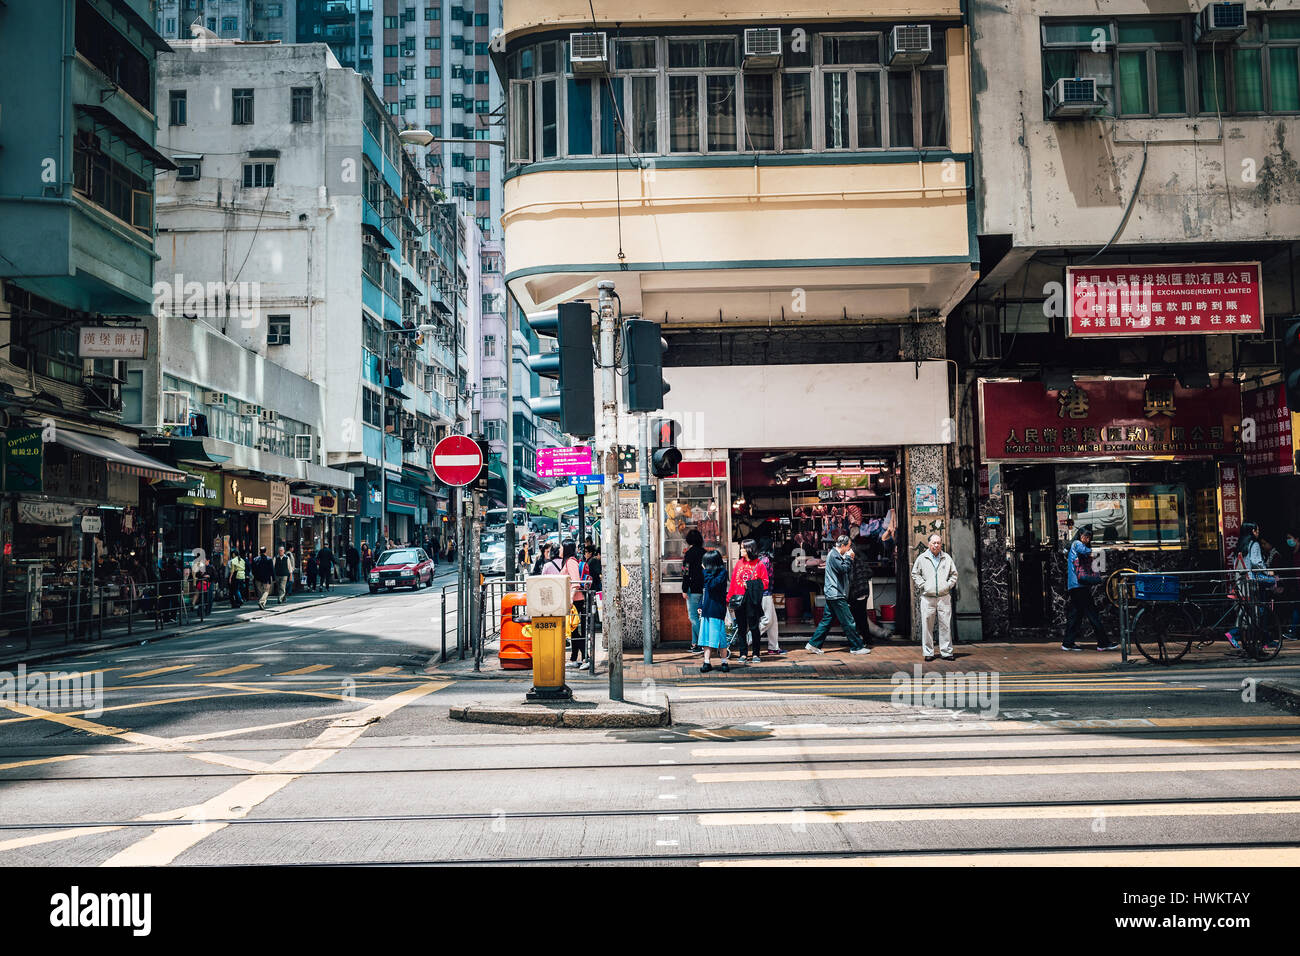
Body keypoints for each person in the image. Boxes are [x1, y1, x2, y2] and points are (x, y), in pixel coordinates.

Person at [805, 535, 870, 655]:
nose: (850, 549)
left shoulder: (835, 554)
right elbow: (843, 569)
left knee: (827, 621)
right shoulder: (834, 555)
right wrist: (849, 558)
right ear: (843, 546)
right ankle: (856, 647)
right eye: (849, 546)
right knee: (849, 621)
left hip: (833, 593)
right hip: (836, 594)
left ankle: (814, 644)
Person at [1062, 525, 1116, 653]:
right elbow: (1088, 552)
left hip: (1076, 586)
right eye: (1085, 536)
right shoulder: (1077, 544)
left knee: (1076, 615)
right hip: (1079, 586)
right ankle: (1103, 643)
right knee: (1092, 615)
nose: (1087, 539)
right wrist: (1103, 552)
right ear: (1080, 536)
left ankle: (1068, 643)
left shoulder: (1075, 546)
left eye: (1089, 537)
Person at [911, 533, 961, 661]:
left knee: (945, 625)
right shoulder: (922, 558)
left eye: (939, 543)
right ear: (929, 544)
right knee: (927, 626)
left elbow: (954, 574)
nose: (936, 545)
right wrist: (923, 585)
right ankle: (928, 652)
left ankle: (946, 652)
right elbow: (915, 573)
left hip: (944, 597)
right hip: (927, 597)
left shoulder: (947, 558)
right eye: (934, 543)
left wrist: (948, 585)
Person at [727, 539, 769, 664]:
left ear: (749, 549)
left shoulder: (759, 564)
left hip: (752, 601)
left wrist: (750, 584)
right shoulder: (739, 563)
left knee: (754, 628)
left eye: (742, 548)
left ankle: (756, 653)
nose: (740, 550)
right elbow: (734, 582)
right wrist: (729, 598)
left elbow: (765, 583)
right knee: (741, 628)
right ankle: (743, 653)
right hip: (740, 600)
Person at [697, 550, 732, 673]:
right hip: (707, 609)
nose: (703, 564)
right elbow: (705, 590)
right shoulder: (708, 574)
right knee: (706, 637)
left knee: (719, 637)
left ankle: (724, 662)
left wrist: (706, 571)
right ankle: (707, 662)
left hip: (717, 610)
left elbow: (711, 585)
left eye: (705, 562)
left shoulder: (722, 573)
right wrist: (700, 604)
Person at [757, 542, 784, 656]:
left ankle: (773, 647)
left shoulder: (760, 559)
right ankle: (748, 638)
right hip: (765, 593)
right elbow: (765, 578)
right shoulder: (765, 561)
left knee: (773, 622)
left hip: (765, 593)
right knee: (767, 620)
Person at [681, 529, 705, 652]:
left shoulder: (689, 554)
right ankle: (695, 644)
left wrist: (684, 589)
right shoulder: (704, 553)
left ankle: (702, 643)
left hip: (693, 590)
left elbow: (686, 572)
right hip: (704, 589)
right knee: (698, 617)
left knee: (693, 617)